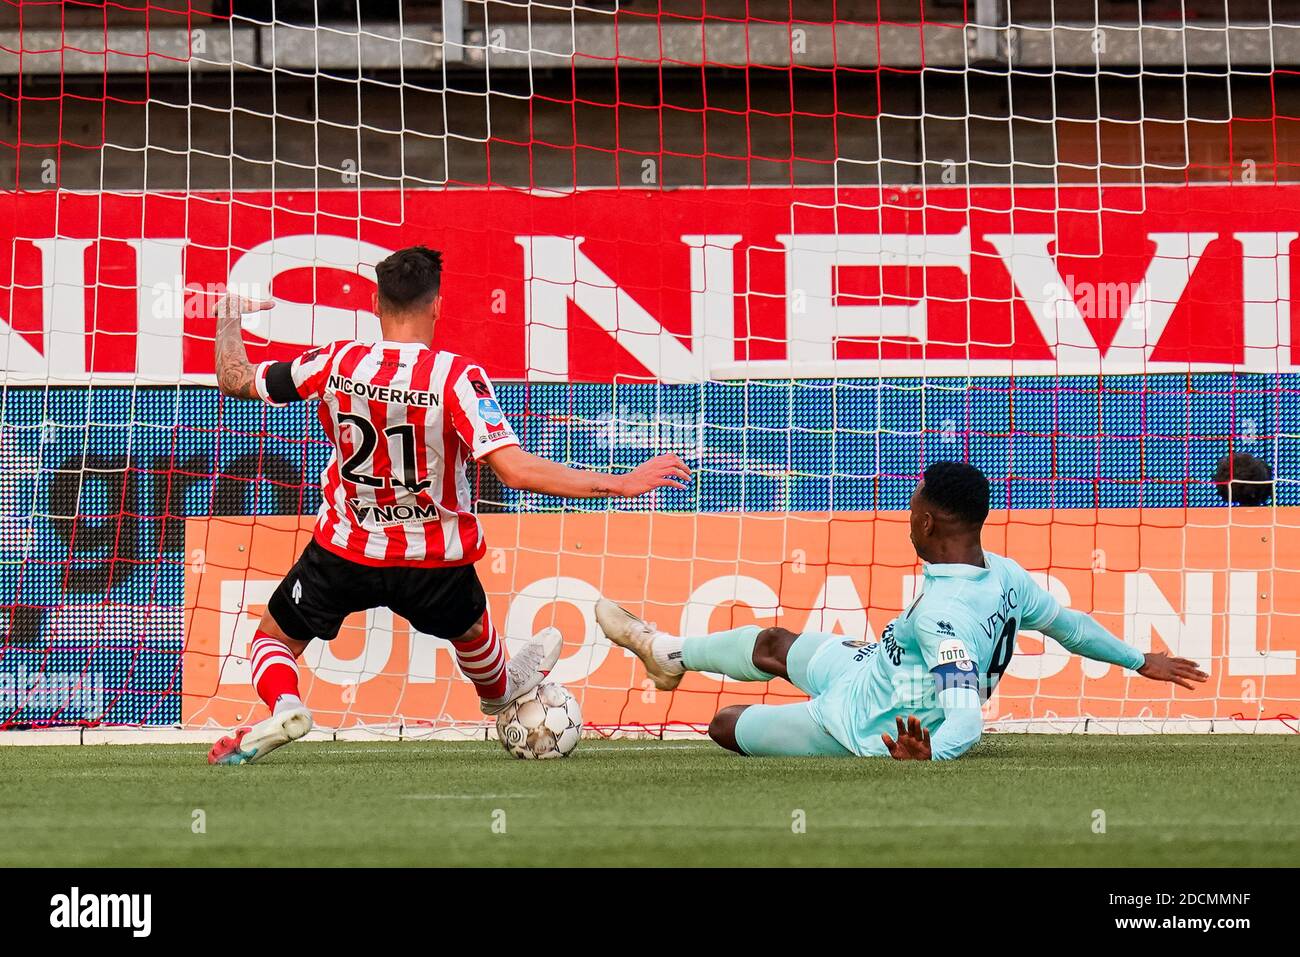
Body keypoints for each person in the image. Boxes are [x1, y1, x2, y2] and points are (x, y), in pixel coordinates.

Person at [208, 245, 690, 765]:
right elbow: (515, 471)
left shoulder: (334, 360)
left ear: (374, 302)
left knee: (272, 641)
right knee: (477, 644)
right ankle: (502, 690)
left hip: (347, 549)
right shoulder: (455, 378)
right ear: (437, 304)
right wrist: (619, 483)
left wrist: (227, 315)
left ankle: (285, 704)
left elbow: (234, 377)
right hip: (435, 561)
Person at [597, 461, 1206, 760]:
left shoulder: (944, 617)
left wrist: (929, 755)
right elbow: (1069, 626)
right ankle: (666, 653)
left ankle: (686, 667)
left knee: (726, 725)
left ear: (926, 520)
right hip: (873, 666)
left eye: (913, 501)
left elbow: (965, 717)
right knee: (773, 644)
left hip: (863, 723)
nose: (907, 508)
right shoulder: (1004, 574)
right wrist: (1138, 659)